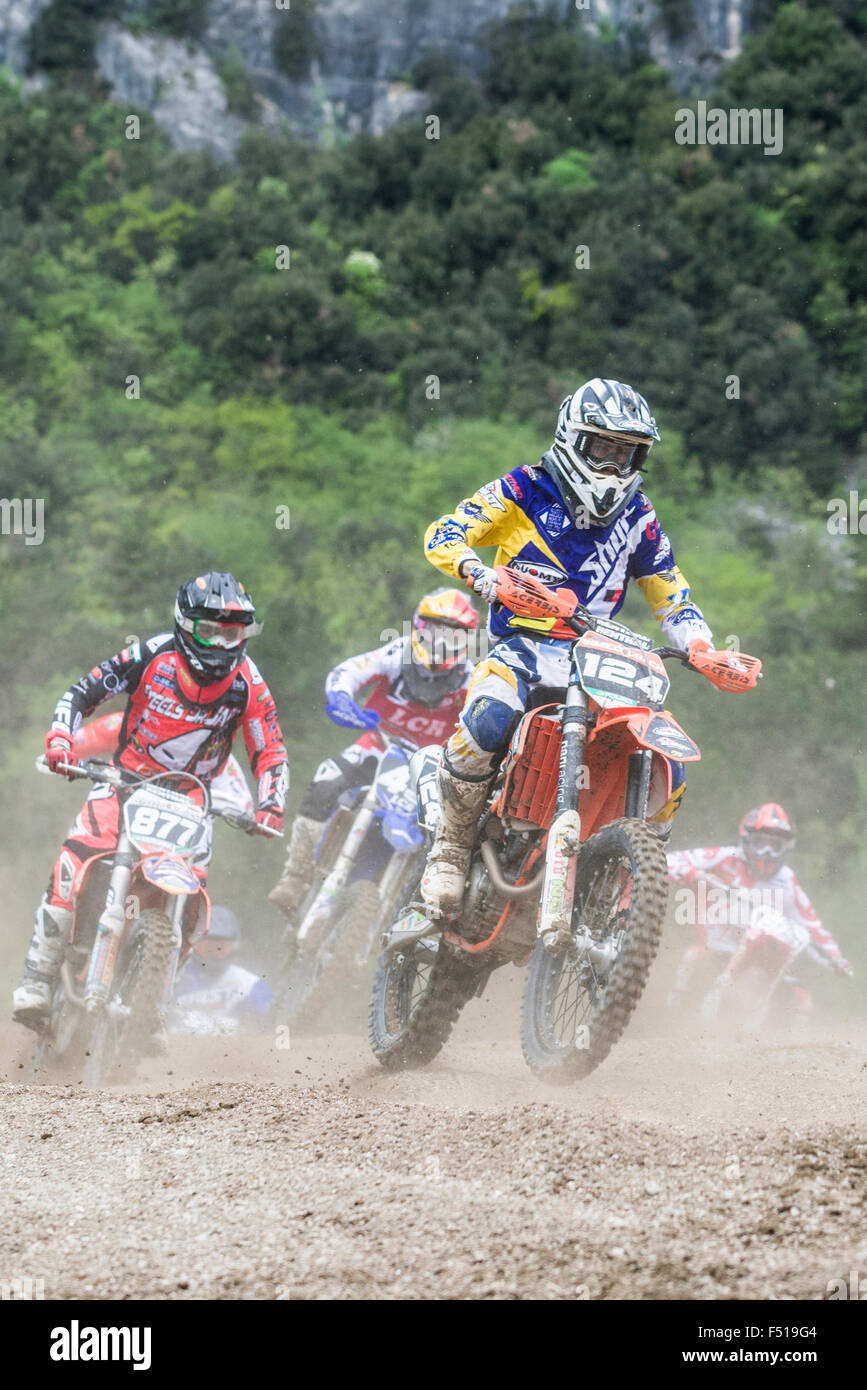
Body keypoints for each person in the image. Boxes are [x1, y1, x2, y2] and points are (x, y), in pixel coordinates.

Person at [419, 377, 717, 917]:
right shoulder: (524, 488)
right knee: (490, 717)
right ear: (572, 438)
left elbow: (672, 596)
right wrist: (482, 576)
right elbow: (445, 533)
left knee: (668, 758)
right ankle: (451, 848)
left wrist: (703, 648)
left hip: (604, 661)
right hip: (522, 647)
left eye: (627, 453)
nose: (612, 465)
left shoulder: (639, 517)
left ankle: (630, 885)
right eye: (602, 447)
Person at [12, 572, 288, 1031]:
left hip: (191, 802)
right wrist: (61, 734)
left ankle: (151, 1009)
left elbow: (270, 748)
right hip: (125, 783)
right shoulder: (151, 653)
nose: (221, 645)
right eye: (210, 631)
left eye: (233, 633)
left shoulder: (249, 684)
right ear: (185, 625)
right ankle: (38, 977)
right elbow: (84, 691)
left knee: (193, 896)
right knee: (74, 862)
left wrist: (271, 804)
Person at [268, 587, 478, 920]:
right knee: (326, 778)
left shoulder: (472, 680)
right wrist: (341, 698)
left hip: (430, 769)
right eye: (433, 629)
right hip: (379, 746)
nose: (439, 641)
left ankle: (420, 914)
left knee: (454, 831)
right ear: (418, 627)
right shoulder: (397, 654)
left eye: (451, 635)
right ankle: (296, 877)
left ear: (466, 640)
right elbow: (348, 671)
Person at [666, 802, 853, 1008]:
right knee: (692, 958)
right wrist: (696, 875)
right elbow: (667, 860)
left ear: (786, 848)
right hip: (712, 949)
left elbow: (813, 928)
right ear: (746, 840)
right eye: (760, 842)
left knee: (801, 999)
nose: (767, 853)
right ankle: (670, 1010)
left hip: (756, 962)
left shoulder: (787, 880)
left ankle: (777, 1038)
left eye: (776, 846)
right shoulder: (724, 857)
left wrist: (837, 960)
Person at [169, 906, 274, 1034]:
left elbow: (270, 1023)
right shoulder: (172, 980)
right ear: (193, 945)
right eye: (207, 947)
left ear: (233, 947)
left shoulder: (249, 984)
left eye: (220, 947)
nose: (213, 952)